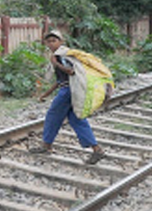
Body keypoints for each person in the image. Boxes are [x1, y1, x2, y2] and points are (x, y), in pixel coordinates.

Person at [30, 30, 107, 165]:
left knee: (53, 116)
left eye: (54, 41)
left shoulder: (62, 56)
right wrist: (45, 94)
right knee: (77, 120)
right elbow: (61, 80)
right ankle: (97, 149)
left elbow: (70, 72)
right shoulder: (59, 55)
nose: (51, 44)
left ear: (61, 42)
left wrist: (56, 63)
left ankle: (46, 146)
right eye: (49, 41)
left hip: (68, 91)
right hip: (69, 89)